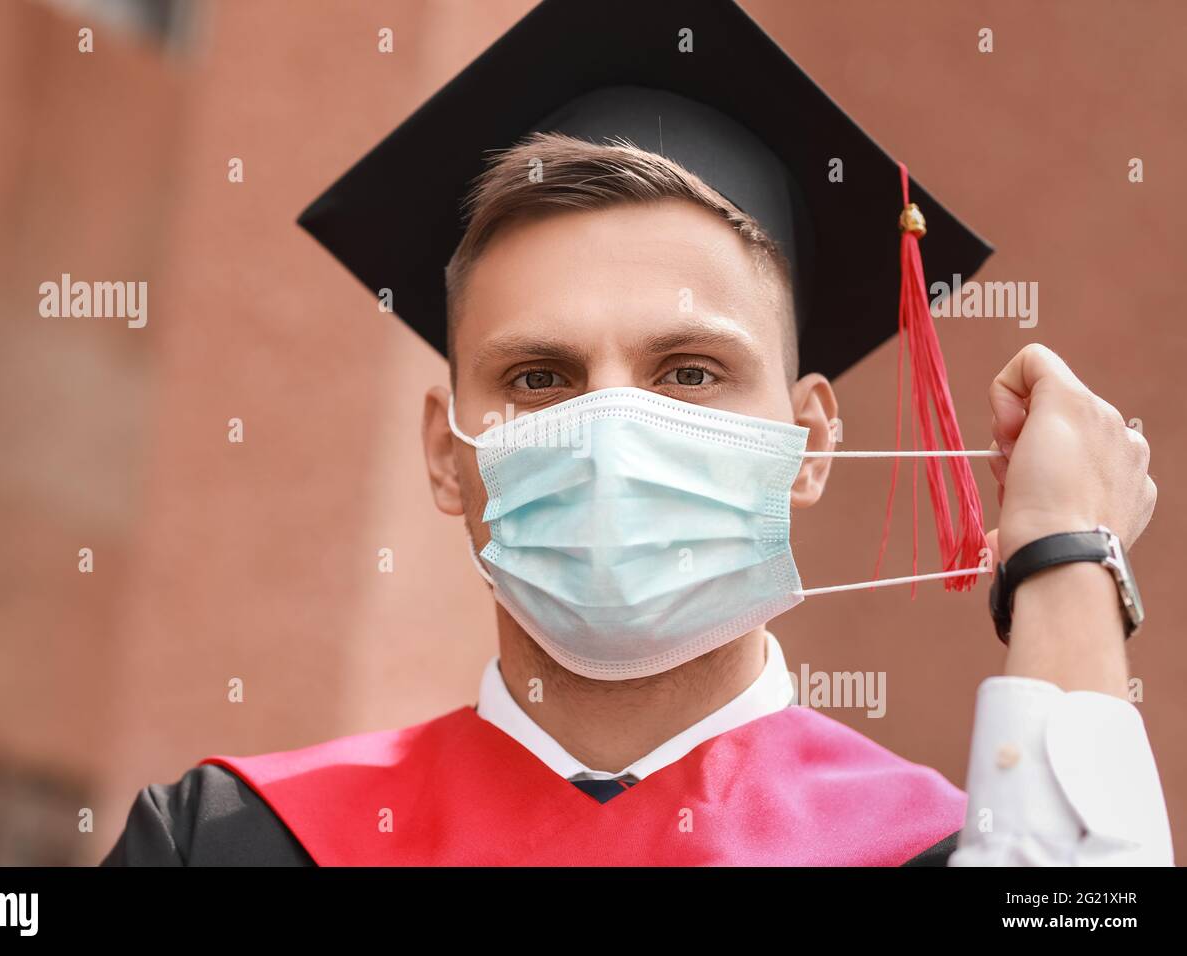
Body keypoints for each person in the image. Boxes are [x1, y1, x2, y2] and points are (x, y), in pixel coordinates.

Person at [103, 0, 1170, 866]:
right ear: (445, 449)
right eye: (539, 375)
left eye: (689, 370)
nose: (613, 430)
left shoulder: (930, 850)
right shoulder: (233, 841)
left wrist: (1065, 557)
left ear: (808, 440)